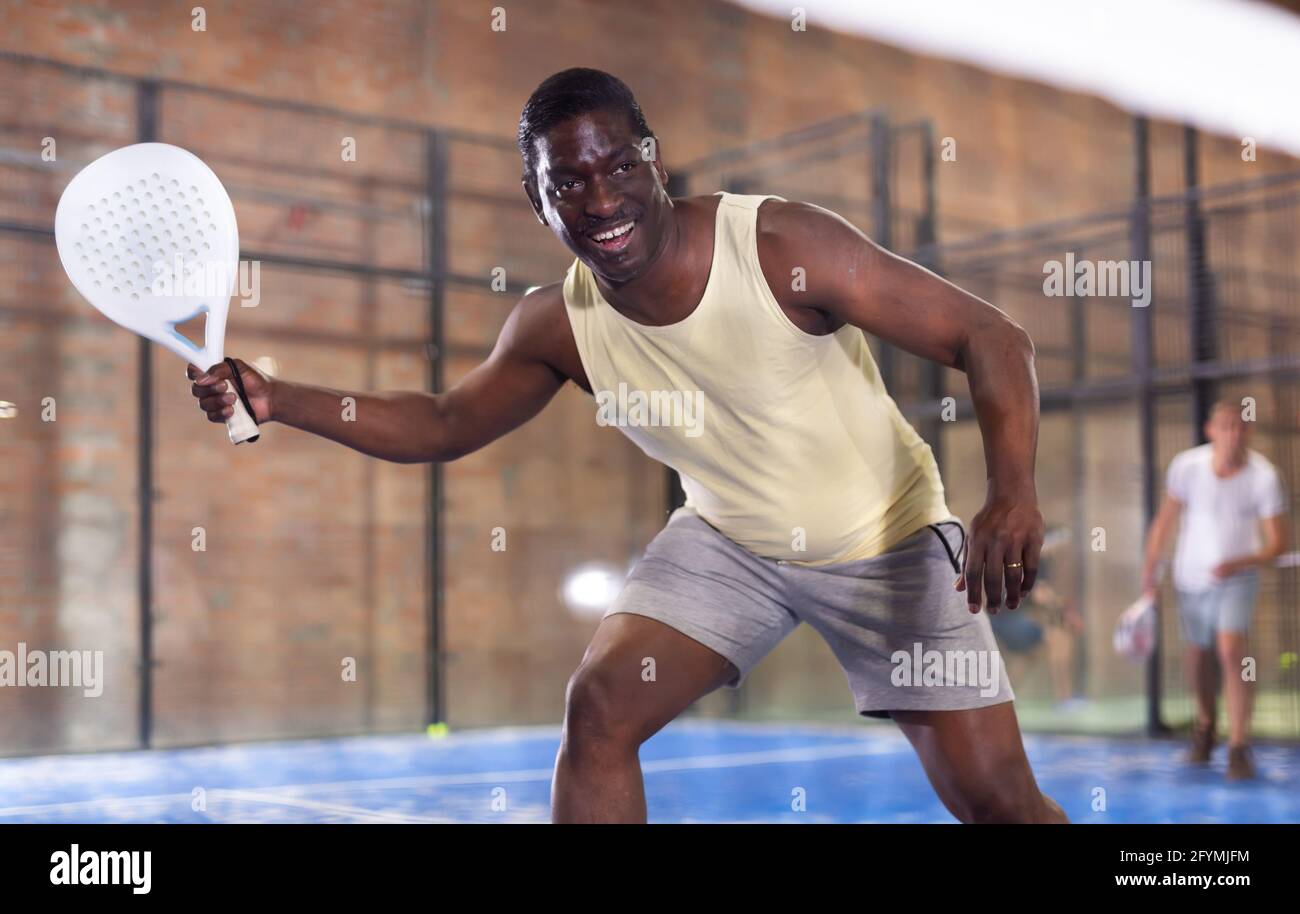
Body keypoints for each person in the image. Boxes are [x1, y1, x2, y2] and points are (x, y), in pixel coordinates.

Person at [188, 68, 1064, 823]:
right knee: (600, 707)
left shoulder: (779, 246)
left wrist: (1012, 493)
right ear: (539, 201)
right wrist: (278, 397)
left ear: (655, 161)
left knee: (998, 804)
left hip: (891, 539)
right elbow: (444, 423)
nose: (601, 200)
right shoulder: (556, 323)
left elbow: (991, 337)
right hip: (729, 546)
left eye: (617, 166)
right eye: (567, 182)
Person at [1141, 399, 1289, 780]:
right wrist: (1150, 572)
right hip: (1190, 580)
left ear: (1249, 431)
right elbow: (1163, 523)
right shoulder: (1187, 467)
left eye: (1240, 426)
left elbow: (1277, 544)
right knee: (1198, 655)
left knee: (1231, 649)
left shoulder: (1264, 476)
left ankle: (1239, 746)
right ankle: (1205, 730)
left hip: (1238, 580)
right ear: (1211, 430)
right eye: (1225, 426)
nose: (1233, 433)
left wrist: (1238, 563)